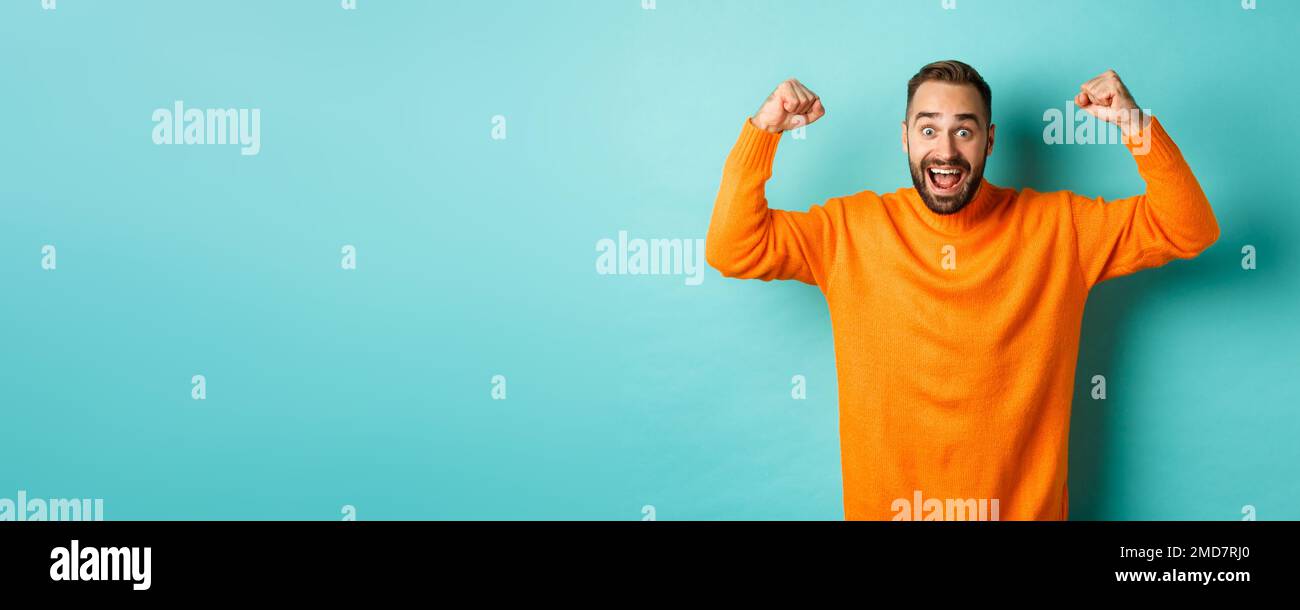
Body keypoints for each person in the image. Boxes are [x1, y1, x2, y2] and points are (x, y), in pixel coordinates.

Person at [705, 60, 1220, 520]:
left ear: (990, 141)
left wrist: (1135, 126)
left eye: (964, 132)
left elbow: (1188, 227)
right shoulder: (850, 230)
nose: (945, 151)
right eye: (929, 130)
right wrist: (764, 131)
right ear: (905, 138)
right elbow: (733, 248)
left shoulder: (1062, 228)